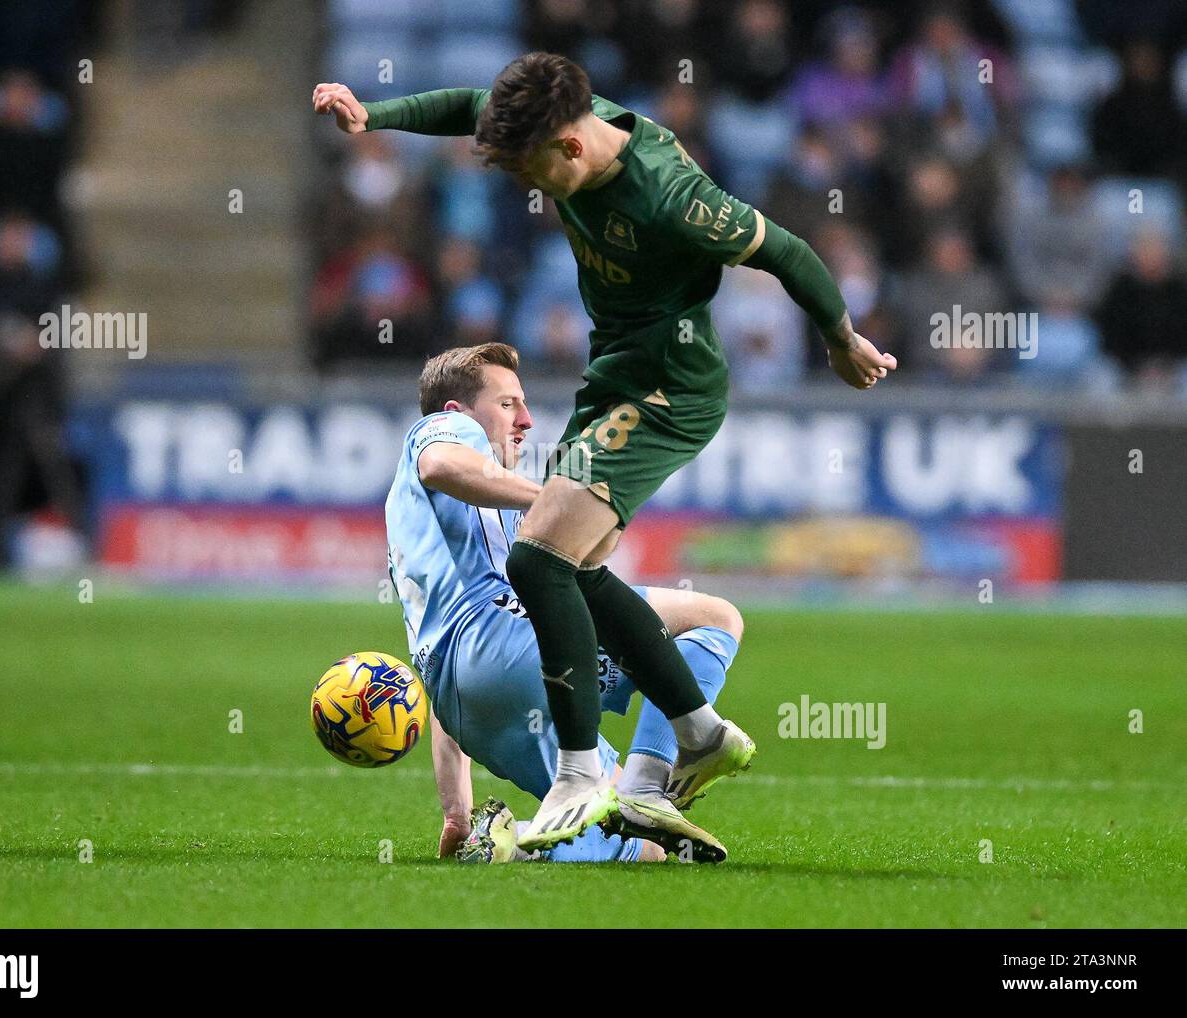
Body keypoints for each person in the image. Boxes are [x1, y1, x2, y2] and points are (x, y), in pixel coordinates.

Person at [322, 52, 896, 851]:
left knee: (538, 560)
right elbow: (466, 104)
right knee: (579, 576)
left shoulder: (672, 195)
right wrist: (372, 116)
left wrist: (842, 341)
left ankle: (584, 768)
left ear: (569, 148)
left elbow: (788, 251)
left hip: (668, 389)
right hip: (614, 377)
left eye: (532, 172)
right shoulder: (561, 124)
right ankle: (694, 734)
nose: (532, 190)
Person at [386, 343, 743, 863]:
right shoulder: (444, 432)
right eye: (507, 404)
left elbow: (450, 666)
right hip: (508, 645)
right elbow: (441, 462)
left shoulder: (425, 526)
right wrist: (558, 504)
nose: (525, 420)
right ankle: (649, 779)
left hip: (467, 700)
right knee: (712, 618)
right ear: (456, 412)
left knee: (646, 849)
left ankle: (508, 846)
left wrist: (455, 813)